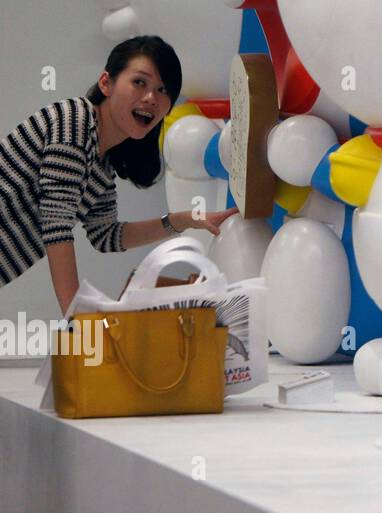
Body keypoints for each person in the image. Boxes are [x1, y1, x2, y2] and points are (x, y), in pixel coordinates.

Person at [0, 36, 236, 312]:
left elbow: (107, 236)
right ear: (106, 83)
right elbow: (57, 227)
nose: (151, 98)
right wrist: (77, 318)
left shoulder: (101, 164)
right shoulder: (75, 123)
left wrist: (183, 221)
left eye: (163, 89)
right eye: (139, 82)